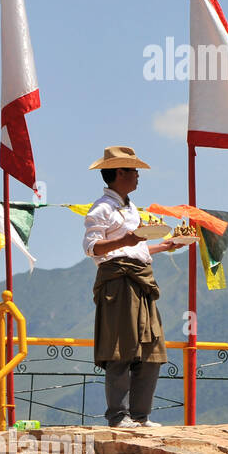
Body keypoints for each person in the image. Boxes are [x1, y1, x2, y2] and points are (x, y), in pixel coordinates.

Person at [83, 147, 176, 428]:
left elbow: (137, 247)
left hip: (141, 279)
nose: (138, 176)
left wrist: (167, 245)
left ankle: (139, 415)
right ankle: (118, 415)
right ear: (120, 172)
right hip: (119, 281)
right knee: (121, 349)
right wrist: (126, 240)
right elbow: (92, 247)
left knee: (151, 349)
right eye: (134, 171)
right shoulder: (102, 208)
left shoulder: (130, 207)